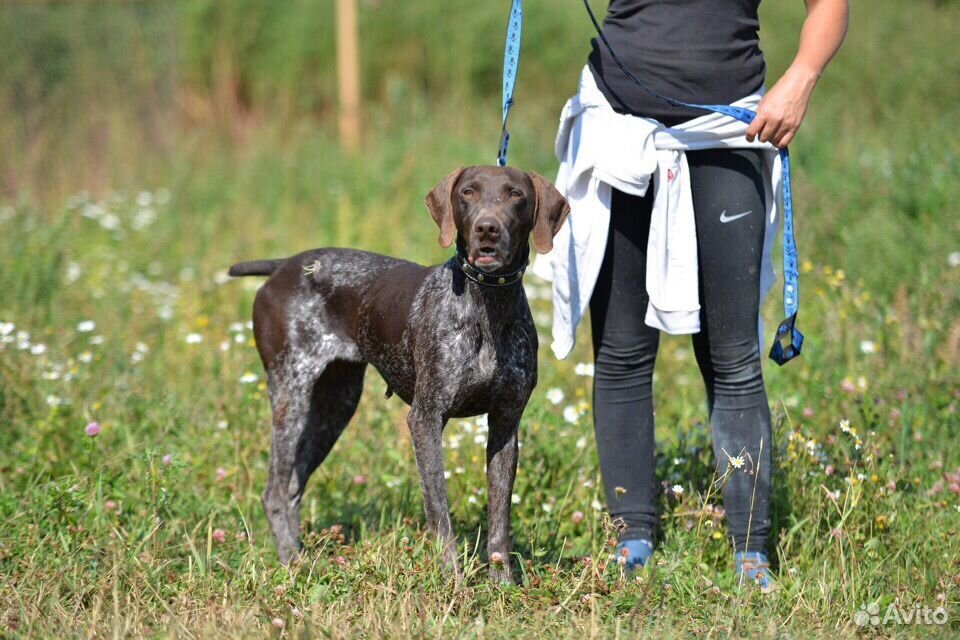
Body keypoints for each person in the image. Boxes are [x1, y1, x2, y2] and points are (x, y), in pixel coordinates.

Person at [532, 0, 848, 590]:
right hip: (620, 128)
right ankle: (631, 542)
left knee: (732, 357)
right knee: (622, 353)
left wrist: (800, 79)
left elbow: (829, 6)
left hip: (732, 131)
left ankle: (751, 551)